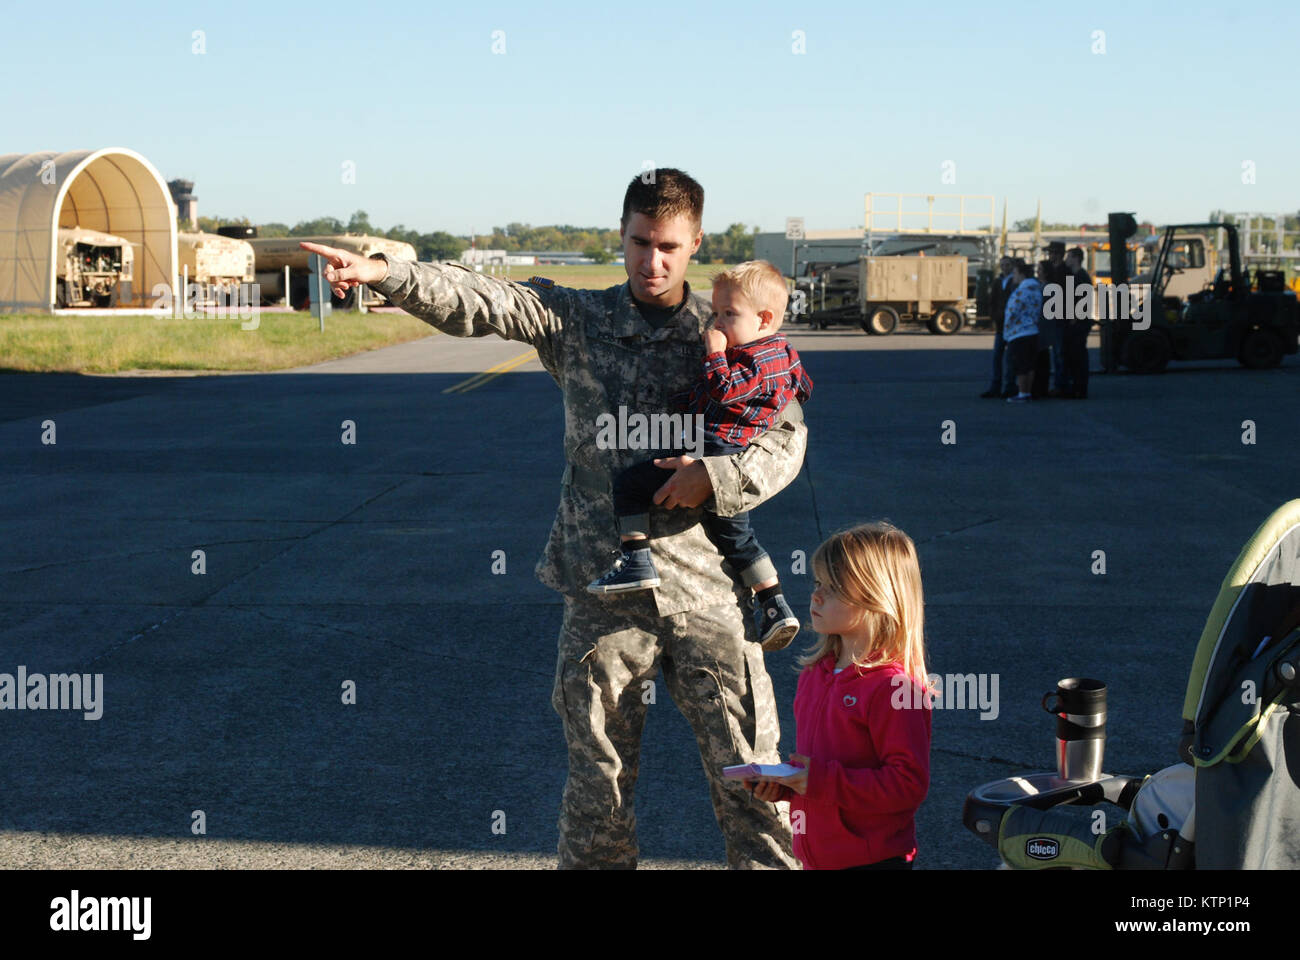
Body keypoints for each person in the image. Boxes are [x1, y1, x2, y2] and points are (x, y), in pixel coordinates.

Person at [299, 168, 807, 869]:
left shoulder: (730, 329)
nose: (650, 262)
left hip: (709, 595)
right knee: (599, 799)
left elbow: (787, 439)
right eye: (637, 243)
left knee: (754, 784)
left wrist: (714, 475)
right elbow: (484, 299)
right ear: (621, 235)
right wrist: (388, 271)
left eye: (667, 246)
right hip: (603, 591)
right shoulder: (580, 321)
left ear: (695, 243)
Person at [589, 260, 812, 653]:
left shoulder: (753, 359)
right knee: (736, 537)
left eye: (729, 314)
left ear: (764, 319)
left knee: (629, 485)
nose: (717, 323)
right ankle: (775, 603)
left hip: (714, 447)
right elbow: (801, 385)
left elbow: (723, 390)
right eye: (716, 312)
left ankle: (636, 558)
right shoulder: (784, 353)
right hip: (728, 449)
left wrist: (714, 354)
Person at [747, 523, 932, 869]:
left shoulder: (894, 688)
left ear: (878, 598)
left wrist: (815, 780)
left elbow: (908, 784)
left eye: (834, 589)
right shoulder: (814, 674)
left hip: (873, 860)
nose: (816, 596)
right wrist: (786, 785)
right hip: (817, 857)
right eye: (818, 583)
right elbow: (824, 774)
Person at [1003, 259, 1042, 403]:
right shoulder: (1037, 290)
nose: (1013, 276)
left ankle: (1022, 393)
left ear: (1021, 274)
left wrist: (1006, 331)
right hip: (1033, 330)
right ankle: (1028, 392)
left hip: (1019, 333)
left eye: (1015, 273)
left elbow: (1012, 312)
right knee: (1030, 365)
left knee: (1020, 366)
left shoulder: (1020, 292)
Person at [980, 256, 1019, 398]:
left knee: (1010, 358)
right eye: (1002, 265)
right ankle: (995, 387)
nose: (1005, 267)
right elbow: (992, 300)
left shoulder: (1015, 281)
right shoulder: (998, 281)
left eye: (1007, 264)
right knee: (997, 357)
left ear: (1012, 266)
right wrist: (994, 317)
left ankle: (1010, 386)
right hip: (1000, 325)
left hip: (1013, 325)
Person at [1062, 247, 1092, 399]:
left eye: (1069, 257)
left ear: (1076, 258)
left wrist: (1075, 318)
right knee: (1074, 356)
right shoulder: (1075, 275)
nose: (1066, 259)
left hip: (1079, 324)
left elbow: (1083, 300)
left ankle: (1080, 388)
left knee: (1078, 356)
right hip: (1076, 322)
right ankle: (1076, 387)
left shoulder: (1082, 276)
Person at [1042, 240, 1070, 396]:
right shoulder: (1056, 270)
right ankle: (1059, 384)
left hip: (1060, 317)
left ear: (1058, 254)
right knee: (1057, 353)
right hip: (1055, 317)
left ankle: (1061, 385)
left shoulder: (1063, 272)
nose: (1049, 255)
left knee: (1060, 353)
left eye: (1051, 253)